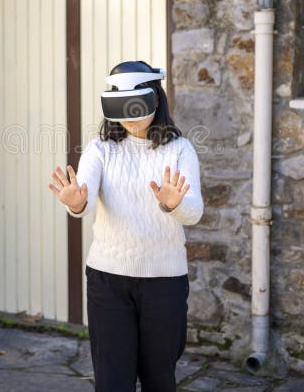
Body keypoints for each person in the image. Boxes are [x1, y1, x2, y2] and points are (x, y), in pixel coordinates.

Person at [47, 60, 204, 392]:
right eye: (123, 106)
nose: (131, 116)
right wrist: (75, 202)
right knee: (112, 381)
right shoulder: (100, 149)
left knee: (159, 379)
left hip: (165, 281)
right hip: (108, 281)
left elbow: (193, 212)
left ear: (156, 100)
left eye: (138, 105)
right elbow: (84, 198)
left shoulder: (180, 150)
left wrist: (173, 204)